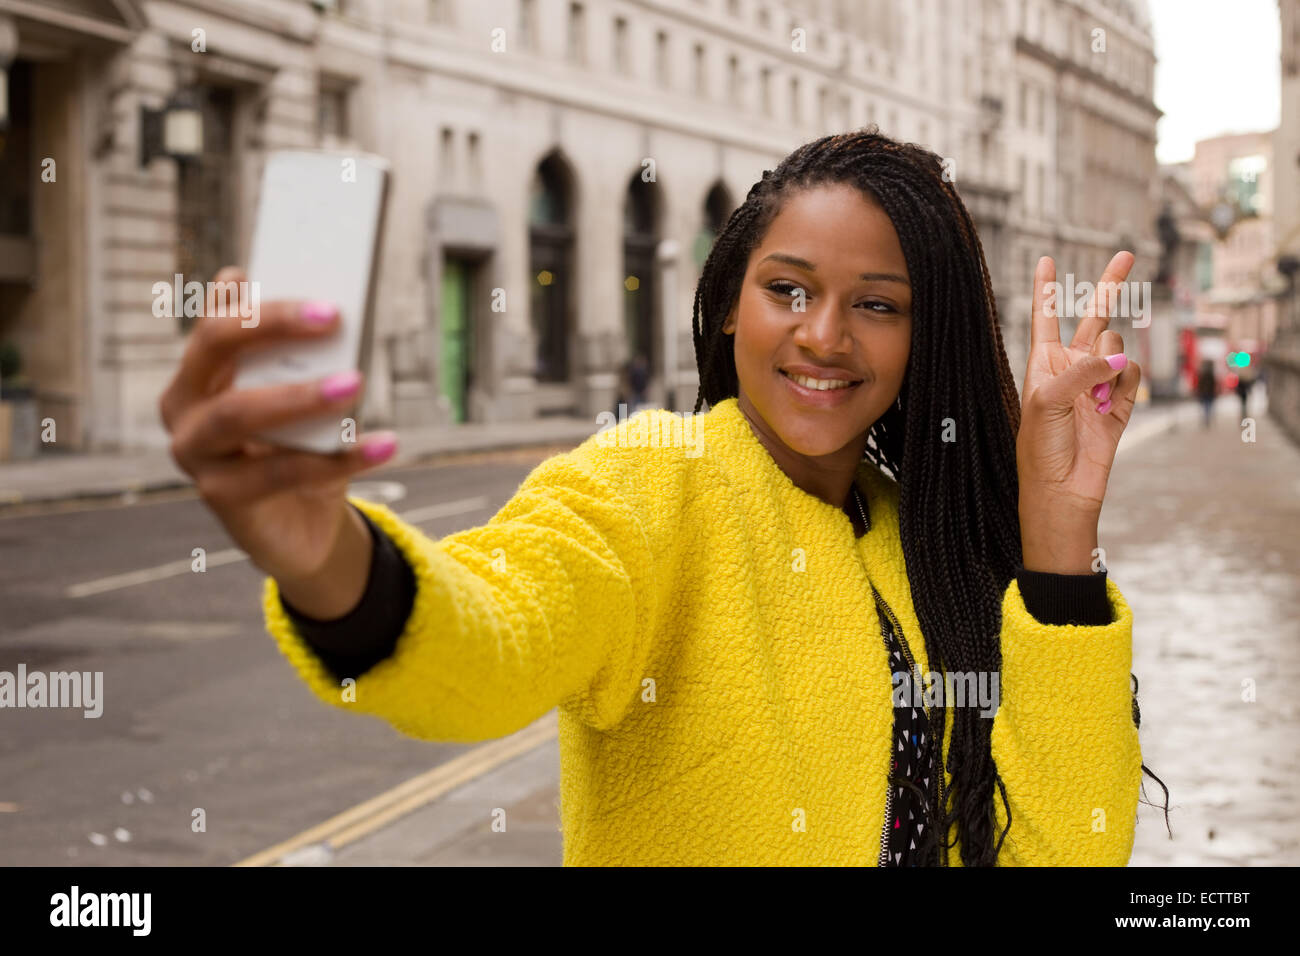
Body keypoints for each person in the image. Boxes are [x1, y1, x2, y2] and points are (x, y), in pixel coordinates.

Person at [160, 128, 1165, 866]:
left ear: (923, 335)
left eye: (877, 303)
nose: (824, 334)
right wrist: (329, 558)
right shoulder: (652, 482)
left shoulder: (932, 541)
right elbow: (489, 640)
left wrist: (1057, 531)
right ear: (731, 303)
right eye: (787, 288)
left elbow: (1069, 849)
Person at [1195, 357, 1218, 428]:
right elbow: (1214, 384)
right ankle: (1207, 418)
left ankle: (1206, 418)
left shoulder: (1201, 375)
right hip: (1209, 393)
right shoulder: (1211, 376)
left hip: (1204, 393)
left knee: (1206, 406)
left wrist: (1198, 391)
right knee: (1208, 406)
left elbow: (1199, 385)